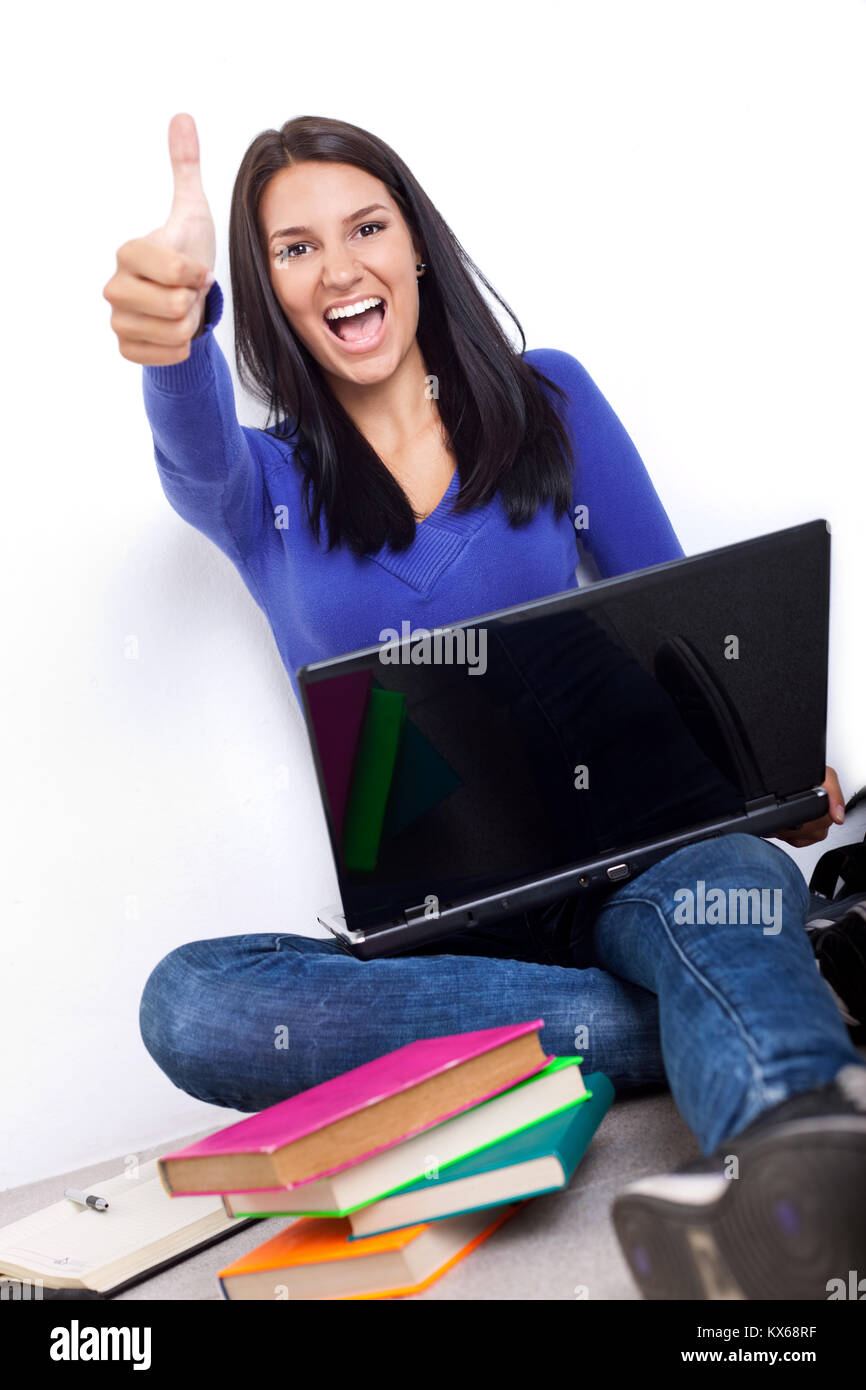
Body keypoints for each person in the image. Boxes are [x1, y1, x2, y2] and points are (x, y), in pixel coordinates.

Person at [103, 112, 866, 1300]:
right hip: (438, 930)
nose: (340, 265)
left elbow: (675, 618)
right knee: (191, 1001)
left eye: (365, 227)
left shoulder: (545, 399)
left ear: (415, 248)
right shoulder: (263, 488)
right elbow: (191, 440)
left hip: (644, 864)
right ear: (264, 287)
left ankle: (787, 1173)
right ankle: (690, 1004)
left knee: (729, 890)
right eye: (293, 248)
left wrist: (767, 778)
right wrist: (174, 325)